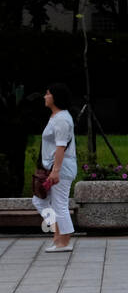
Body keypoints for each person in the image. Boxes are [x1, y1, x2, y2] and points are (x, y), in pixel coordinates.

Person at [33, 83, 77, 252]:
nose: (45, 96)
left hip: (61, 168)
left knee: (59, 204)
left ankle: (63, 242)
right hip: (53, 167)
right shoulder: (56, 117)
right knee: (39, 200)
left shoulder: (62, 119)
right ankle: (58, 234)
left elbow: (61, 146)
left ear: (56, 97)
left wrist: (55, 171)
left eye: (48, 94)